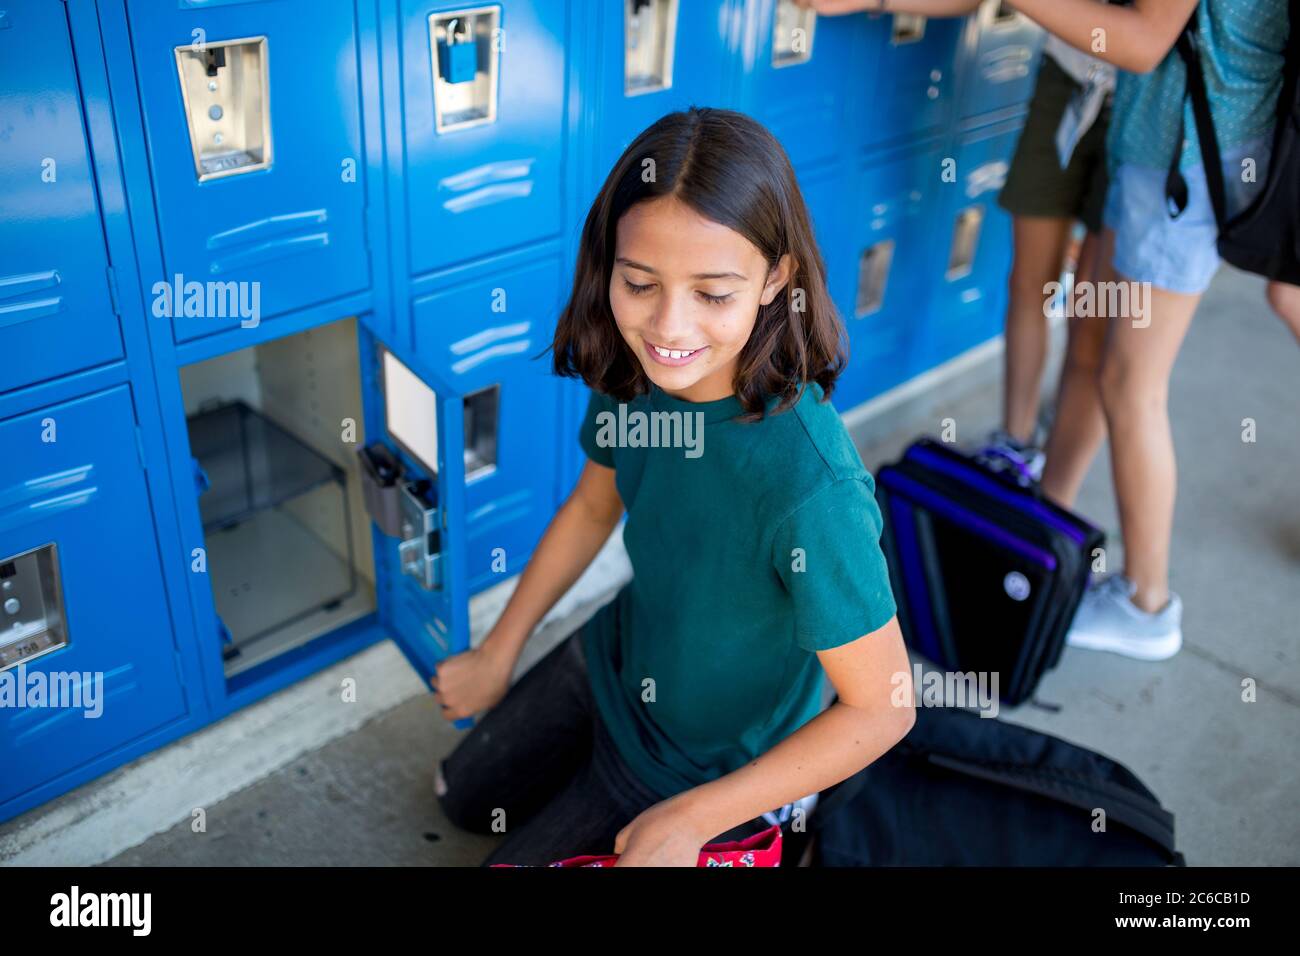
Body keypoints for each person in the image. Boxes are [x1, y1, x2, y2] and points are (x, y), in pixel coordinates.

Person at [430, 108, 915, 866]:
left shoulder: (810, 485)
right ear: (608, 262)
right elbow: (593, 507)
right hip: (618, 660)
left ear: (776, 278)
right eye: (639, 282)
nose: (668, 326)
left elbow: (883, 708)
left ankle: (762, 821)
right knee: (460, 801)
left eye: (712, 294)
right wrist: (500, 649)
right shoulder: (635, 374)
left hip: (702, 760)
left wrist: (694, 818)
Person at [1006, 0, 1290, 660]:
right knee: (1103, 355)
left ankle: (1146, 604)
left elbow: (1139, 42)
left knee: (1133, 387)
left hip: (1180, 164)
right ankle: (1052, 523)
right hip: (1173, 152)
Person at [794, 0, 1115, 479]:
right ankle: (1016, 446)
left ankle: (1053, 512)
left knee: (1096, 318)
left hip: (1150, 113)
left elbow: (1148, 45)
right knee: (1029, 282)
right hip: (1066, 76)